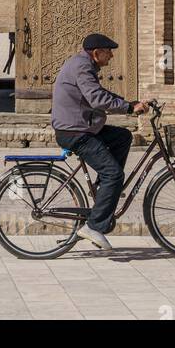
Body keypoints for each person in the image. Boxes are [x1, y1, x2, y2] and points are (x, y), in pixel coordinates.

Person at [51, 33, 151, 251]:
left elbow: (97, 93)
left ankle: (102, 188)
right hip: (75, 131)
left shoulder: (85, 65)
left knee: (122, 136)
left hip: (82, 126)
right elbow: (97, 99)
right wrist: (127, 108)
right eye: (109, 51)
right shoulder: (82, 67)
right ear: (96, 53)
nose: (112, 56)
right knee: (114, 174)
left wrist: (127, 103)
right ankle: (94, 226)